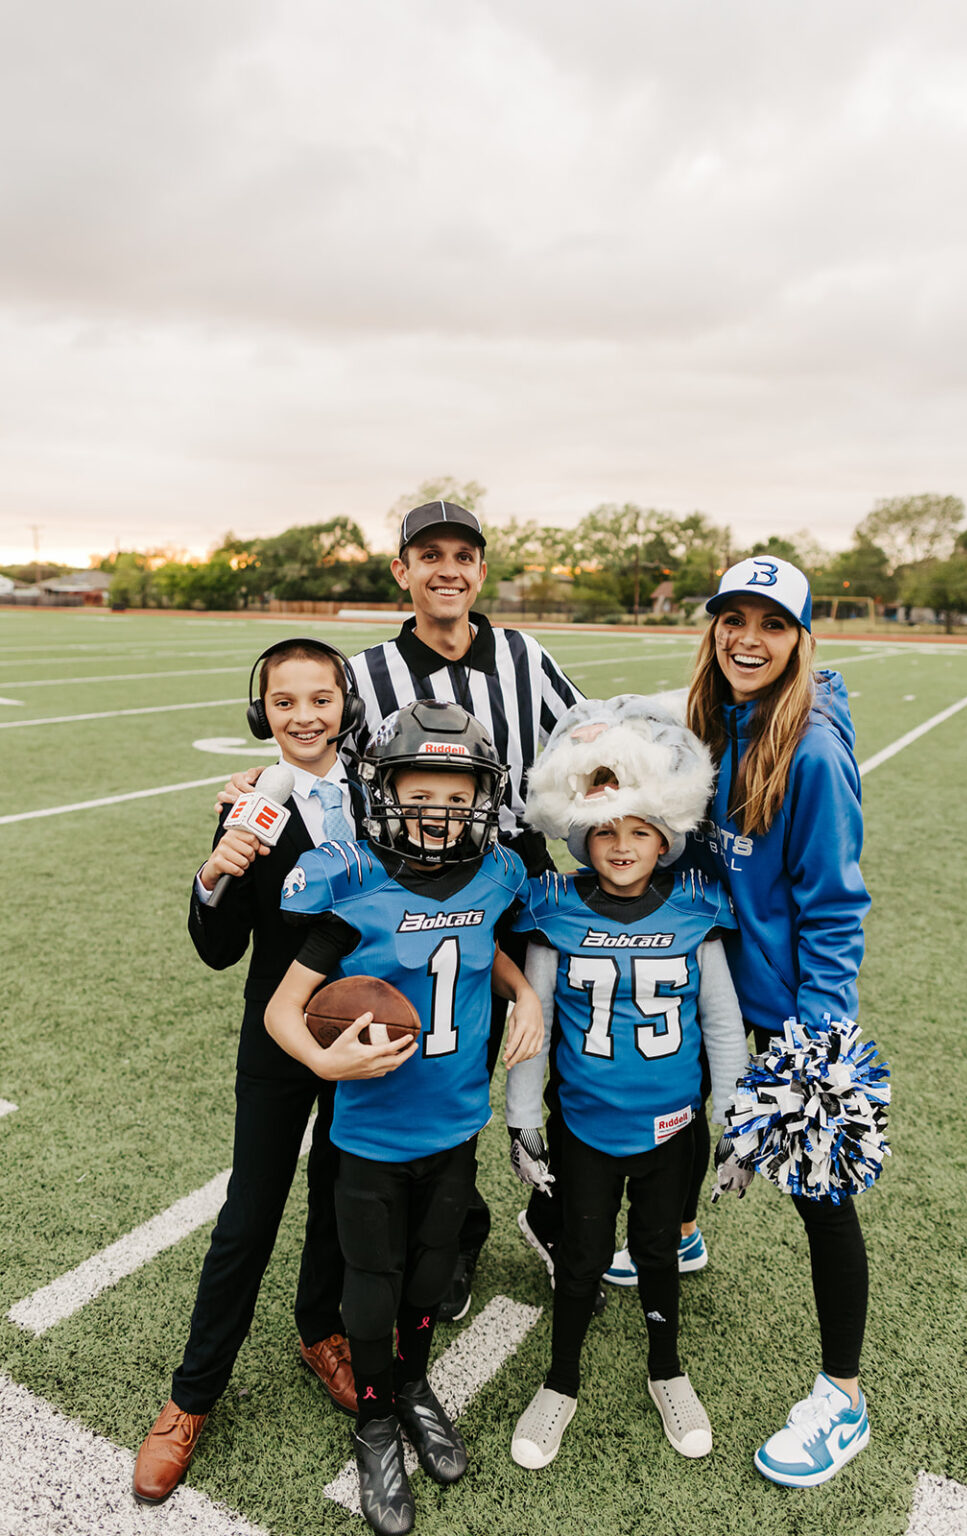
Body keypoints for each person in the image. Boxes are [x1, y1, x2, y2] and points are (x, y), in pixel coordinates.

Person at [224, 500, 586, 1318]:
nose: (447, 570)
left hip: (509, 866)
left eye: (463, 555)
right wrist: (260, 782)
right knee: (435, 1050)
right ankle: (453, 1236)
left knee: (530, 1045)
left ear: (481, 570)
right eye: (430, 556)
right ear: (404, 571)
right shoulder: (368, 672)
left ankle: (551, 1210)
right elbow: (320, 756)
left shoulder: (526, 655)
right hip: (411, 879)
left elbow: (585, 735)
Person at [265, 699, 543, 1536]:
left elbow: (477, 943)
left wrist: (523, 991)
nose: (437, 812)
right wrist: (321, 1061)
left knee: (431, 1277)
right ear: (384, 790)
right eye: (420, 791)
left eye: (457, 798)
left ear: (482, 801)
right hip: (371, 1137)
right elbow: (284, 1009)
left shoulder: (497, 875)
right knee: (373, 1285)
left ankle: (414, 1384)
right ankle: (375, 1421)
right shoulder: (353, 881)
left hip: (455, 1127)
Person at [133, 638, 368, 1506]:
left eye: (320, 698)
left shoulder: (381, 791)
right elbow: (217, 950)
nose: (304, 716)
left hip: (367, 1025)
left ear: (345, 702)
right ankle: (191, 1397)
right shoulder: (253, 807)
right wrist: (213, 874)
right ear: (260, 713)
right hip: (277, 1031)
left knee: (345, 1193)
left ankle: (321, 1330)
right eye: (283, 702)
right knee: (249, 1212)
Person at [501, 700, 748, 1470]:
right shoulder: (556, 912)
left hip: (671, 1128)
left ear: (664, 837)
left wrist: (735, 1118)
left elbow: (721, 1028)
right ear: (581, 833)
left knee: (656, 1253)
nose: (621, 845)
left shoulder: (696, 912)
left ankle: (667, 1371)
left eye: (638, 830)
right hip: (583, 1127)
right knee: (579, 1261)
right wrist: (519, 1121)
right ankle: (560, 1382)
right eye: (604, 830)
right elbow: (532, 1027)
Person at [687, 555, 873, 1487]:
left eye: (770, 624)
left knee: (819, 1191)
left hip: (791, 1010)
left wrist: (814, 1048)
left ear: (802, 639)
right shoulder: (716, 717)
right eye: (733, 619)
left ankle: (842, 1396)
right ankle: (678, 1232)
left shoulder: (812, 750)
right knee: (668, 1109)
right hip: (713, 979)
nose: (746, 639)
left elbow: (836, 910)